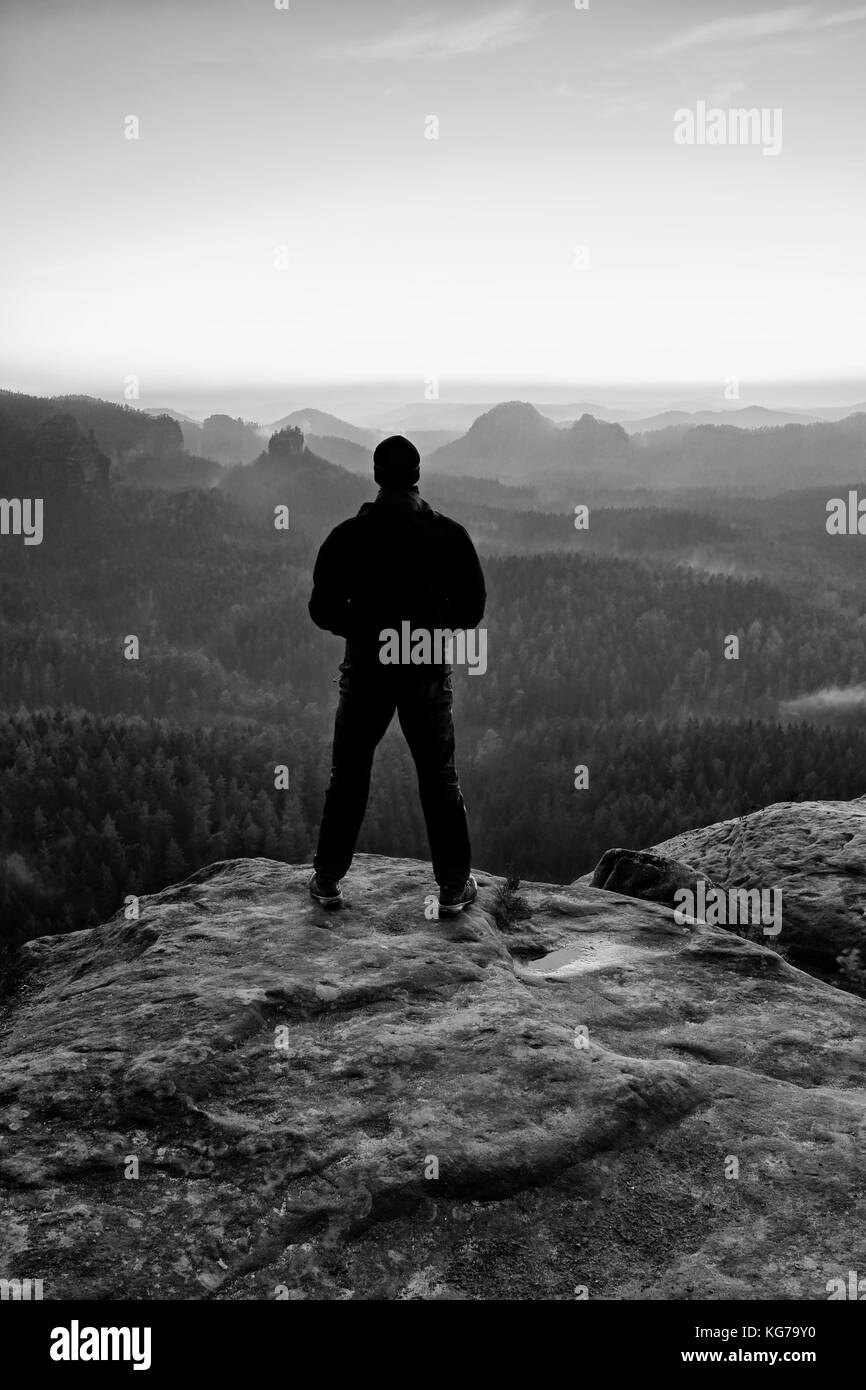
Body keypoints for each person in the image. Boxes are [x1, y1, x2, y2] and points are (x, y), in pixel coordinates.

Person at [308, 434, 486, 915]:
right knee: (438, 776)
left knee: (348, 774)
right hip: (425, 669)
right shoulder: (448, 535)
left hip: (366, 670)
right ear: (417, 475)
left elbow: (322, 609)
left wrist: (367, 630)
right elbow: (472, 609)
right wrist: (426, 629)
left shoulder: (347, 536)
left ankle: (327, 880)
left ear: (376, 475)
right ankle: (452, 886)